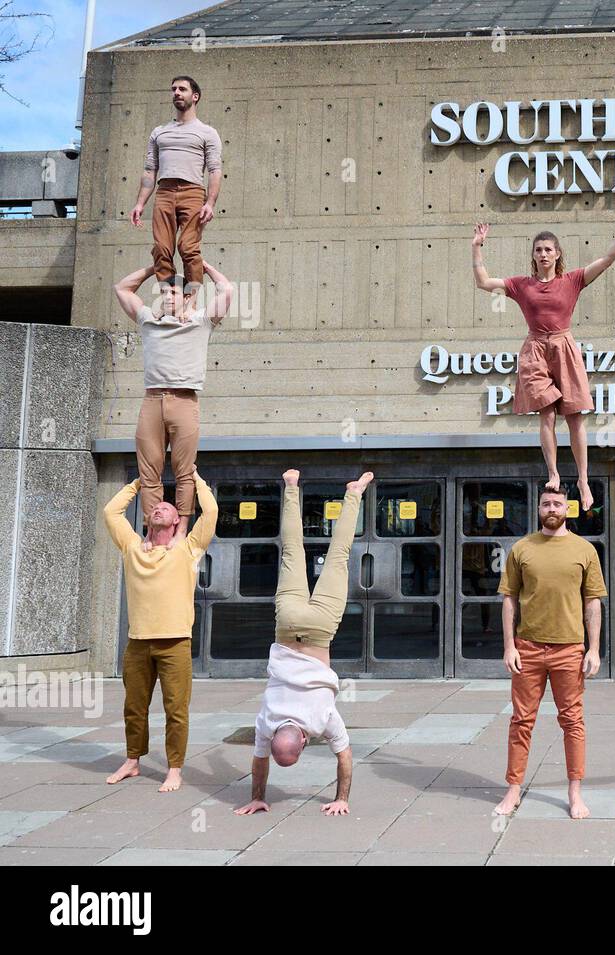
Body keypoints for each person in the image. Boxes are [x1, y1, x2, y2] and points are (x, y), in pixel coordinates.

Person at [472, 208, 615, 512]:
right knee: (547, 414)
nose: (543, 254)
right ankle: (553, 471)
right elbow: (484, 282)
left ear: (557, 253)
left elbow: (606, 261)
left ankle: (583, 479)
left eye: (548, 249)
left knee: (575, 416)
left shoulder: (572, 280)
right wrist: (477, 247)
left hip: (564, 345)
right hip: (535, 348)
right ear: (533, 256)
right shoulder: (520, 285)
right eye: (538, 250)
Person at [233, 469, 372, 817]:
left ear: (306, 741)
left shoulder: (321, 719)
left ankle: (354, 492)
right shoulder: (267, 721)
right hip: (288, 623)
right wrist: (256, 795)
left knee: (339, 554)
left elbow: (345, 757)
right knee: (292, 552)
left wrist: (342, 799)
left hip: (321, 628)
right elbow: (260, 760)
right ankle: (291, 486)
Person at [494, 485, 607, 819]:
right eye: (546, 504)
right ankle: (513, 789)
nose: (552, 508)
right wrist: (509, 646)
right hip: (527, 649)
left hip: (569, 650)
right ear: (539, 509)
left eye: (558, 503)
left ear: (568, 509)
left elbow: (593, 602)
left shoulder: (585, 550)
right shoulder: (522, 548)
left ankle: (575, 793)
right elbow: (509, 599)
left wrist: (594, 649)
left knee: (572, 721)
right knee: (520, 722)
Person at [103, 470, 218, 792]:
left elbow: (211, 513)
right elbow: (111, 512)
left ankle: (175, 769)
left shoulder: (187, 550)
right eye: (155, 507)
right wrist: (139, 484)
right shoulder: (132, 548)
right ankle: (132, 760)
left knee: (176, 710)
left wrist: (197, 479)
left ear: (176, 520)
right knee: (133, 707)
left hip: (175, 643)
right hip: (137, 643)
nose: (159, 508)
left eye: (167, 508)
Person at [114, 259, 233, 542]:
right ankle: (151, 531)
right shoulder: (148, 320)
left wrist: (204, 266)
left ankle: (180, 529)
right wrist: (152, 268)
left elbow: (226, 291)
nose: (167, 298)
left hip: (184, 399)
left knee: (184, 470)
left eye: (174, 293)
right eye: (164, 293)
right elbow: (122, 288)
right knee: (149, 469)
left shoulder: (200, 321)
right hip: (152, 399)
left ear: (188, 296)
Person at [131, 76, 223, 298]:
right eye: (173, 89)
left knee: (188, 248)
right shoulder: (159, 132)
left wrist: (210, 203)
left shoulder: (207, 132)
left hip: (192, 193)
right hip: (164, 192)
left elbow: (214, 170)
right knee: (162, 249)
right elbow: (149, 170)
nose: (176, 93)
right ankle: (170, 296)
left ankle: (191, 299)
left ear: (195, 96)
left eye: (182, 89)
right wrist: (140, 203)